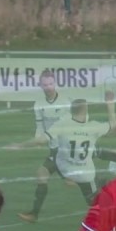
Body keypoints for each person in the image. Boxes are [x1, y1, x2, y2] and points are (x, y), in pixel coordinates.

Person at [39, 97, 116, 206]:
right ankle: (108, 188)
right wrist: (110, 106)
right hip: (82, 166)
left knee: (93, 200)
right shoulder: (92, 126)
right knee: (94, 200)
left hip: (71, 161)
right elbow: (113, 127)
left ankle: (107, 190)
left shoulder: (64, 123)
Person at [15, 71, 73, 222]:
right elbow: (40, 126)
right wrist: (38, 139)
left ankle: (104, 193)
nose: (48, 87)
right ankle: (33, 214)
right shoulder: (39, 104)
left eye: (51, 84)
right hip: (54, 148)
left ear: (55, 84)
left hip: (66, 148)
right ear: (40, 85)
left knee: (46, 174)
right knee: (43, 175)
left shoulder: (65, 101)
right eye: (45, 84)